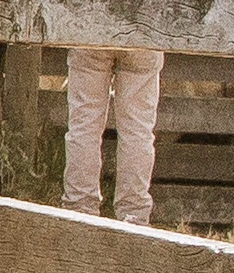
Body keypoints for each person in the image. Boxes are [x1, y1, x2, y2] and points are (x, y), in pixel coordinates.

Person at [65, 44, 164, 226]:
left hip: (90, 29)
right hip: (143, 32)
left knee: (84, 126)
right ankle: (134, 214)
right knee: (138, 130)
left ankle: (79, 209)